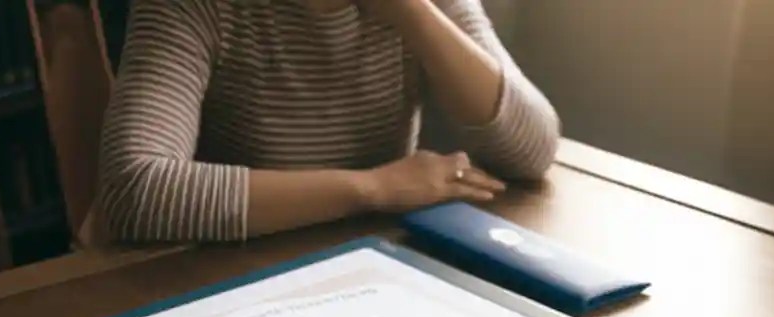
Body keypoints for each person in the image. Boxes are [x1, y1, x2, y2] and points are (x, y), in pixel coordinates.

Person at [93, 0, 560, 245]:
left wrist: (412, 11)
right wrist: (373, 188)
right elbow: (135, 189)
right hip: (229, 271)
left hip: (370, 268)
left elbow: (533, 151)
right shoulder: (196, 6)